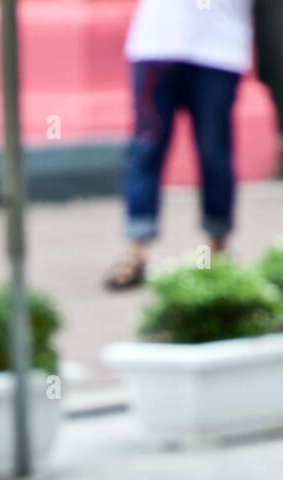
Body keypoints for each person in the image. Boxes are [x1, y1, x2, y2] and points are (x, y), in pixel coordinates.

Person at [105, 0, 255, 290]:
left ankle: (217, 249)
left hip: (219, 51)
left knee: (214, 152)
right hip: (157, 45)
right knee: (147, 148)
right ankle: (135, 250)